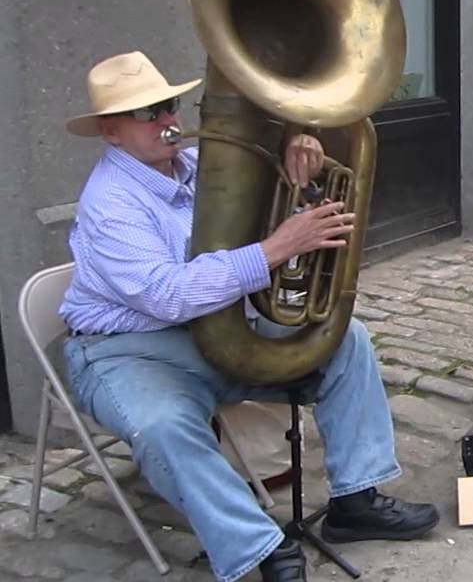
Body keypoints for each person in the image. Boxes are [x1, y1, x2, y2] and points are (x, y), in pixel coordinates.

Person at [59, 51, 438, 582]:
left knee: (342, 339)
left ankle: (357, 499)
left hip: (211, 327)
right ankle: (259, 549)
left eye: (167, 105)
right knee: (161, 426)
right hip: (123, 348)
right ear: (110, 132)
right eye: (146, 114)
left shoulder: (195, 166)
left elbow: (267, 216)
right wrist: (274, 251)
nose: (167, 120)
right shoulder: (110, 202)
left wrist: (296, 160)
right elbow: (166, 294)